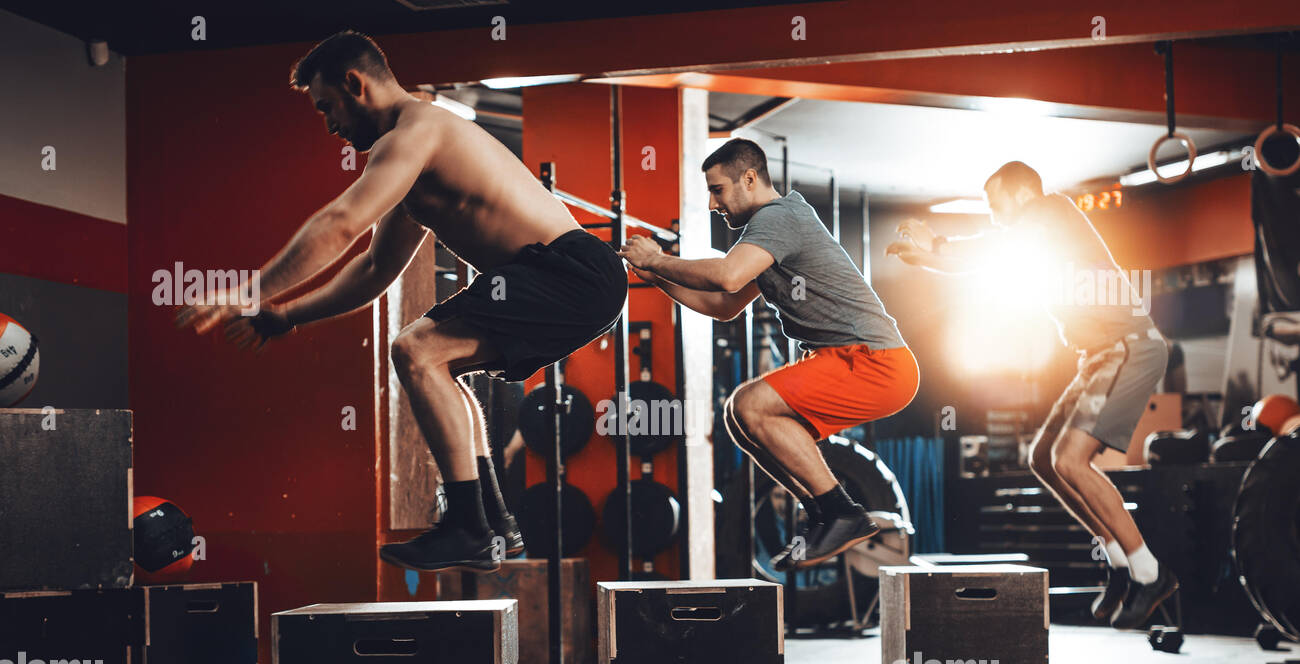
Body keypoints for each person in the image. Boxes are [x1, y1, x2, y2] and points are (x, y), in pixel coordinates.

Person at [175, 31, 627, 573]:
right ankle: (493, 521)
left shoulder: (419, 131)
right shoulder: (417, 163)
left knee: (416, 350)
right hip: (568, 276)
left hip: (569, 270)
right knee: (437, 359)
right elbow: (373, 268)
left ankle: (467, 527)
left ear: (354, 83)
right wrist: (285, 315)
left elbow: (341, 223)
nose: (329, 126)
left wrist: (251, 291)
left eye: (327, 107)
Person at [887, 161, 1176, 628]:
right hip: (1099, 356)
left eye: (995, 203)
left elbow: (995, 248)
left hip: (1130, 348)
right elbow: (987, 260)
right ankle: (1120, 563)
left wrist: (937, 244)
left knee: (1071, 460)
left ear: (1023, 195)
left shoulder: (1051, 211)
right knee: (1043, 459)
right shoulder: (1032, 235)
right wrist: (927, 258)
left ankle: (1151, 572)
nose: (993, 213)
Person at [619, 138, 918, 568]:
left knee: (750, 404)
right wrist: (653, 273)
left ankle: (841, 513)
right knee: (740, 420)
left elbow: (726, 275)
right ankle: (823, 513)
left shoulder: (780, 216)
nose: (711, 203)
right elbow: (722, 306)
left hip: (874, 361)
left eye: (717, 189)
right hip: (850, 360)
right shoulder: (768, 234)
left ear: (750, 178)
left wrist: (661, 259)